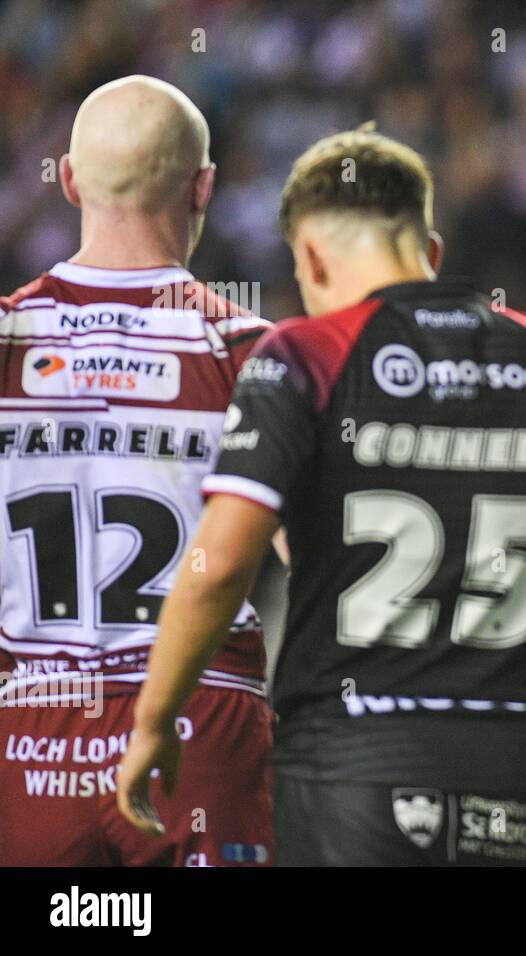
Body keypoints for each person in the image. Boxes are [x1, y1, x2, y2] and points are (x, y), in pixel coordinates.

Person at [117, 127, 526, 866]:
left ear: (309, 255)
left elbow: (220, 566)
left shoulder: (306, 352)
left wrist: (153, 717)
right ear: (430, 250)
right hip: (507, 762)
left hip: (351, 760)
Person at [0, 76, 274, 866]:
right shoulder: (252, 352)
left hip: (33, 730)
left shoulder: (10, 338)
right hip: (202, 728)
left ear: (71, 178)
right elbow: (325, 567)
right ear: (204, 186)